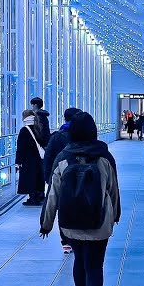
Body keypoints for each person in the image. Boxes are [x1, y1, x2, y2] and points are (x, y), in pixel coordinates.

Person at [40, 112, 120, 286]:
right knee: (95, 265)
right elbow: (112, 190)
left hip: (71, 222)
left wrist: (46, 224)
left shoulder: (64, 158)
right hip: (99, 222)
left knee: (79, 261)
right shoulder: (104, 157)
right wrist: (115, 215)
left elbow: (53, 194)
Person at [42, 108, 82, 254]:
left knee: (62, 207)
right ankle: (77, 236)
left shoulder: (57, 137)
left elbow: (48, 158)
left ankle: (65, 240)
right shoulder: (83, 137)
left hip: (60, 177)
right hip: (80, 178)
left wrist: (48, 178)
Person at [15, 109, 49, 206]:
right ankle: (40, 195)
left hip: (28, 159)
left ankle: (33, 198)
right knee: (39, 176)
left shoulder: (25, 130)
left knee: (30, 178)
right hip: (40, 158)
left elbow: (21, 147)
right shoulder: (39, 127)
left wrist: (18, 161)